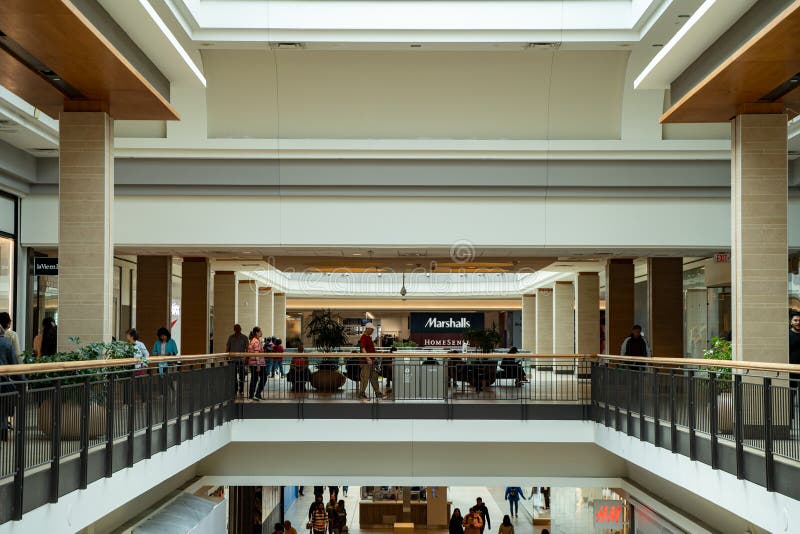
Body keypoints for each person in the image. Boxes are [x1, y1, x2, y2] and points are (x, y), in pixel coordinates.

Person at [1, 323, 23, 441]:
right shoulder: (6, 343)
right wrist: (22, 381)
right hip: (3, 382)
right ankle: (3, 431)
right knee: (3, 407)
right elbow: (15, 364)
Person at [357, 323, 383, 399]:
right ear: (367, 329)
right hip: (366, 362)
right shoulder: (363, 337)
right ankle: (361, 393)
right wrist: (367, 358)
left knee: (374, 377)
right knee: (365, 378)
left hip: (372, 362)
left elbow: (370, 348)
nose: (372, 331)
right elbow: (363, 348)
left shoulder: (369, 337)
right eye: (371, 330)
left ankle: (377, 392)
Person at [226, 324, 249, 396]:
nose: (237, 329)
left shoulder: (244, 337)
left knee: (242, 375)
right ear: (234, 329)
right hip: (232, 360)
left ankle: (241, 389)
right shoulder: (231, 337)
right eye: (235, 328)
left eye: (238, 328)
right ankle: (235, 390)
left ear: (240, 329)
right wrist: (227, 356)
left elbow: (247, 349)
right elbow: (228, 347)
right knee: (233, 376)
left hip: (241, 360)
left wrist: (246, 358)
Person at [247, 327, 266, 400]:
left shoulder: (253, 340)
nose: (261, 332)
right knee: (263, 378)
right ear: (257, 333)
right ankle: (257, 394)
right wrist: (258, 365)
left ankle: (252, 395)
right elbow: (256, 353)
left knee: (254, 379)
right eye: (260, 331)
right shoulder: (256, 341)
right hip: (258, 364)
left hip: (254, 363)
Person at [789, 312, 800, 412]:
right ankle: (790, 415)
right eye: (795, 320)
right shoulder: (788, 335)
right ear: (791, 322)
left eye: (799, 321)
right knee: (791, 394)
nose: (798, 322)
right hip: (792, 370)